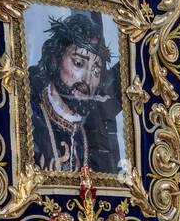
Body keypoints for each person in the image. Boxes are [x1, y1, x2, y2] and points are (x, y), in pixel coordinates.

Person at [28, 11, 122, 174]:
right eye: (78, 63)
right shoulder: (29, 115)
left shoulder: (92, 135)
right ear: (55, 59)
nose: (87, 80)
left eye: (96, 71)